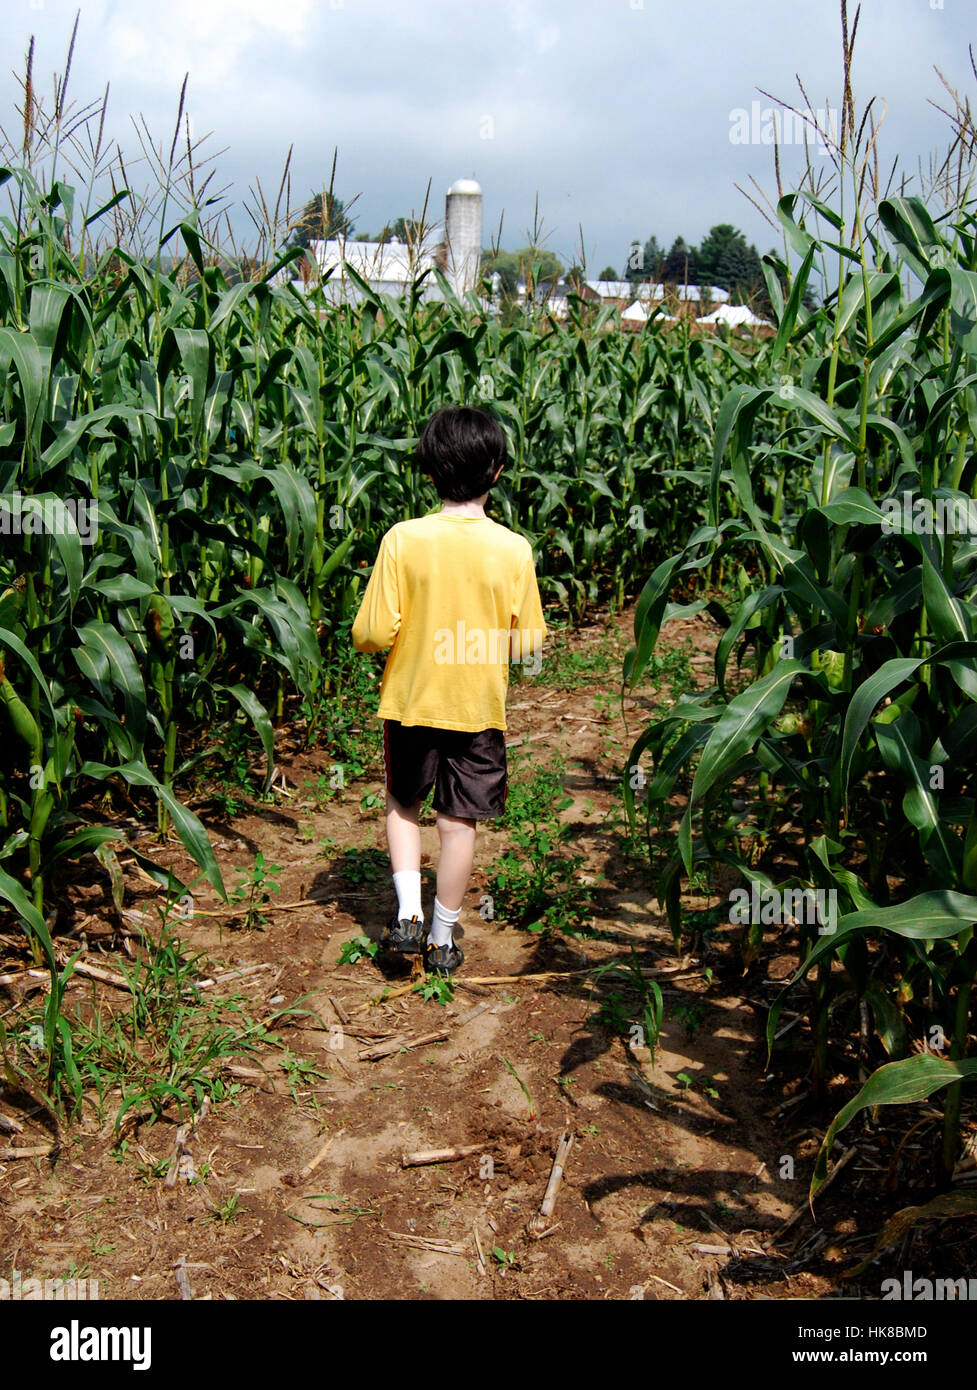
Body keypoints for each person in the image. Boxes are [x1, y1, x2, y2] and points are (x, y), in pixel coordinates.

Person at [351, 405, 546, 975]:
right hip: (477, 708)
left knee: (403, 802)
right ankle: (442, 937)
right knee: (459, 821)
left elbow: (371, 633)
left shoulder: (403, 540)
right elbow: (528, 641)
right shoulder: (514, 550)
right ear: (498, 473)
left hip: (412, 701)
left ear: (430, 474)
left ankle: (407, 914)